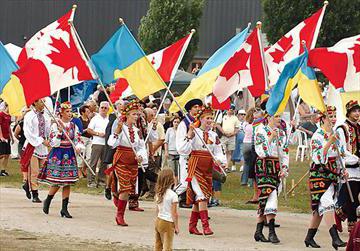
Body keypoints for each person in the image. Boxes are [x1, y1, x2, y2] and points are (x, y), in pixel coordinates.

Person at [178, 105, 227, 235]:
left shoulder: (213, 135)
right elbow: (183, 150)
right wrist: (189, 134)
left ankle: (192, 226)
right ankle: (206, 226)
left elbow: (218, 151)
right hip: (195, 167)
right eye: (207, 118)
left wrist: (220, 161)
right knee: (202, 195)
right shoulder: (195, 132)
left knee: (200, 197)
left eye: (211, 118)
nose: (210, 120)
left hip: (207, 168)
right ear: (200, 119)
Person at [304, 106, 347, 249]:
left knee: (320, 211)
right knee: (328, 204)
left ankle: (309, 238)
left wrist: (343, 171)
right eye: (330, 116)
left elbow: (340, 156)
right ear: (322, 118)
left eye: (335, 115)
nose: (334, 118)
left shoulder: (336, 134)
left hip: (333, 174)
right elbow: (318, 158)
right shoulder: (317, 136)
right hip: (319, 175)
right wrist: (329, 142)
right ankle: (335, 239)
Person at [38, 102, 84, 218]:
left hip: (69, 153)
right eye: (67, 112)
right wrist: (59, 132)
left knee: (67, 182)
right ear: (61, 113)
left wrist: (78, 147)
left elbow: (78, 139)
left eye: (70, 111)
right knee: (57, 181)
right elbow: (54, 143)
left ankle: (64, 209)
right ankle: (48, 200)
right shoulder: (55, 125)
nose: (70, 114)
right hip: (58, 154)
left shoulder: (74, 125)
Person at [108, 100, 148, 226]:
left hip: (133, 161)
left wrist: (141, 156)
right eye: (133, 114)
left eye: (137, 114)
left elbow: (141, 146)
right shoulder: (121, 127)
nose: (136, 117)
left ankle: (116, 193)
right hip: (121, 159)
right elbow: (111, 144)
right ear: (127, 115)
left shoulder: (137, 131)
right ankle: (120, 215)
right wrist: (117, 131)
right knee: (125, 188)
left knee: (129, 188)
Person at [253, 113, 289, 244]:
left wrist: (284, 168)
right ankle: (272, 232)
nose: (279, 119)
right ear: (268, 117)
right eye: (276, 116)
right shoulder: (260, 130)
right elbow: (262, 152)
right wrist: (270, 137)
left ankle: (258, 231)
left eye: (280, 116)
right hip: (264, 166)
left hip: (276, 167)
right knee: (271, 196)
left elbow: (284, 152)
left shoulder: (282, 133)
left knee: (265, 199)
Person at [335, 100, 360, 234]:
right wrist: (356, 159)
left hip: (359, 168)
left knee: (354, 199)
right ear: (348, 112)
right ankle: (352, 230)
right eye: (354, 111)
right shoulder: (342, 128)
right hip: (349, 168)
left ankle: (339, 212)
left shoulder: (359, 127)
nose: (357, 113)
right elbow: (342, 151)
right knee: (352, 199)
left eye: (358, 111)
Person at [174, 99, 203, 208]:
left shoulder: (201, 122)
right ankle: (167, 198)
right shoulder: (184, 124)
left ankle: (200, 209)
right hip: (187, 157)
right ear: (190, 109)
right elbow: (180, 145)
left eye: (199, 107)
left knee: (199, 185)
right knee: (185, 184)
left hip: (199, 157)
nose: (197, 109)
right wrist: (189, 135)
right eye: (195, 107)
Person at [22, 99, 51, 202]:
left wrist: (49, 137)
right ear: (35, 103)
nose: (43, 103)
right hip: (32, 145)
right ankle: (35, 194)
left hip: (43, 146)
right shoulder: (29, 116)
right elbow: (28, 132)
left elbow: (47, 130)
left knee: (43, 170)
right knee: (34, 171)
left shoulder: (46, 116)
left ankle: (27, 183)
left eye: (44, 101)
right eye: (41, 101)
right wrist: (40, 141)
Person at [154, 169, 179, 251]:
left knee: (158, 245)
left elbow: (157, 210)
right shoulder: (173, 195)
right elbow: (174, 213)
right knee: (168, 246)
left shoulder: (158, 193)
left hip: (159, 220)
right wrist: (176, 226)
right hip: (168, 222)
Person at [86, 101, 109, 188]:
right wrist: (98, 134)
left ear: (108, 109)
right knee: (93, 162)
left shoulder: (109, 119)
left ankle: (101, 180)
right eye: (102, 107)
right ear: (99, 108)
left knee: (104, 163)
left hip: (106, 143)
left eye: (105, 108)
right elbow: (89, 130)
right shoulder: (95, 118)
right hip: (97, 142)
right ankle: (90, 181)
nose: (103, 109)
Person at [218, 106, 240, 172]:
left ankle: (227, 166)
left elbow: (237, 128)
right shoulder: (222, 115)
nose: (231, 110)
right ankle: (223, 165)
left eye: (232, 109)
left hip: (232, 136)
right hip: (223, 136)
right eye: (230, 109)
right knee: (223, 150)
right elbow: (217, 124)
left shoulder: (235, 118)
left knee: (230, 152)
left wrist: (232, 134)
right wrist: (223, 132)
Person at [241, 108, 256, 186]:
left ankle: (244, 180)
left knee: (246, 163)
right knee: (253, 163)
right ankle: (251, 182)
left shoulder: (245, 123)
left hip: (245, 143)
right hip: (253, 143)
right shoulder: (256, 123)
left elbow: (243, 131)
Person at [164, 117, 181, 184]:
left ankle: (177, 184)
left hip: (178, 153)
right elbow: (166, 141)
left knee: (178, 170)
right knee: (172, 170)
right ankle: (173, 183)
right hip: (171, 152)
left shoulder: (181, 131)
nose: (176, 124)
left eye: (178, 122)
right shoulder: (169, 130)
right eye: (175, 122)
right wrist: (166, 151)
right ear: (172, 123)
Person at [0, 103, 13, 176]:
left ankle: (3, 171)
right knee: (2, 154)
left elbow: (9, 127)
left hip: (7, 137)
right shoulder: (1, 114)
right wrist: (1, 136)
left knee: (7, 154)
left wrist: (11, 137)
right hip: (2, 137)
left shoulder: (9, 116)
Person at [79, 105, 92, 178]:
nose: (89, 112)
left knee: (89, 156)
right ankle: (80, 171)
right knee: (81, 156)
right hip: (82, 138)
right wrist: (86, 130)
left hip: (89, 139)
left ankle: (84, 169)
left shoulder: (89, 119)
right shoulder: (79, 120)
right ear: (82, 112)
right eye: (87, 111)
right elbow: (78, 131)